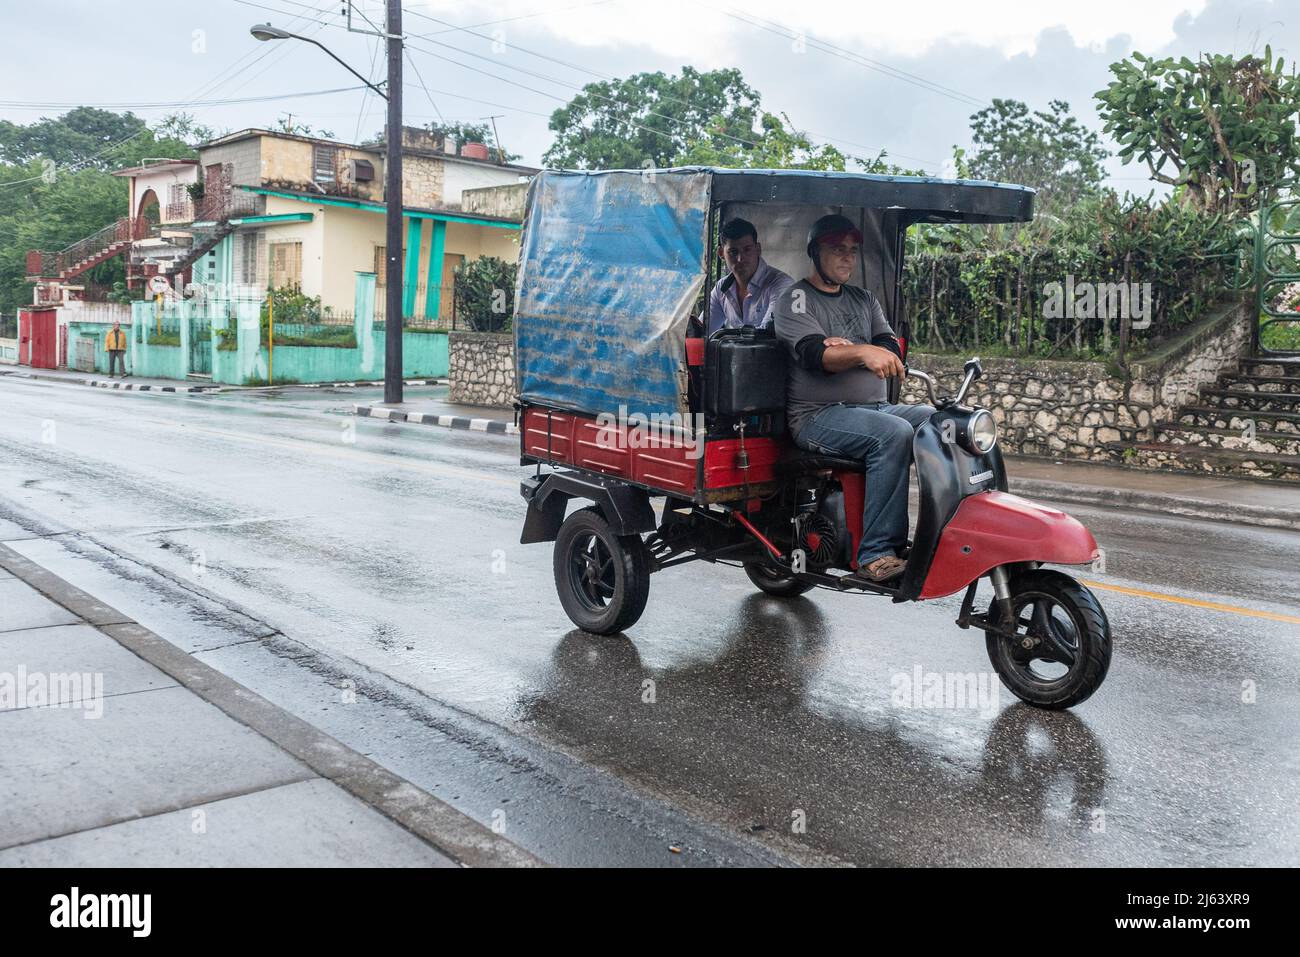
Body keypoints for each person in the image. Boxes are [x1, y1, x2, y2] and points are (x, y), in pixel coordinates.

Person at [772, 214, 934, 584]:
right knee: (892, 434)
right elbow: (815, 354)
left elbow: (889, 343)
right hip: (817, 416)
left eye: (852, 250)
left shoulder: (865, 299)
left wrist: (860, 348)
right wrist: (861, 352)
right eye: (836, 249)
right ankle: (876, 554)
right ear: (815, 252)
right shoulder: (796, 298)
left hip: (874, 408)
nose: (847, 257)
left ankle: (939, 532)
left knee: (942, 424)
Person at [706, 218, 794, 336]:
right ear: (721, 253)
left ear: (758, 249)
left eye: (747, 250)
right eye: (733, 252)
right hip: (738, 354)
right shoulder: (721, 289)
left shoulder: (781, 284)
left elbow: (767, 337)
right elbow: (703, 331)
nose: (740, 259)